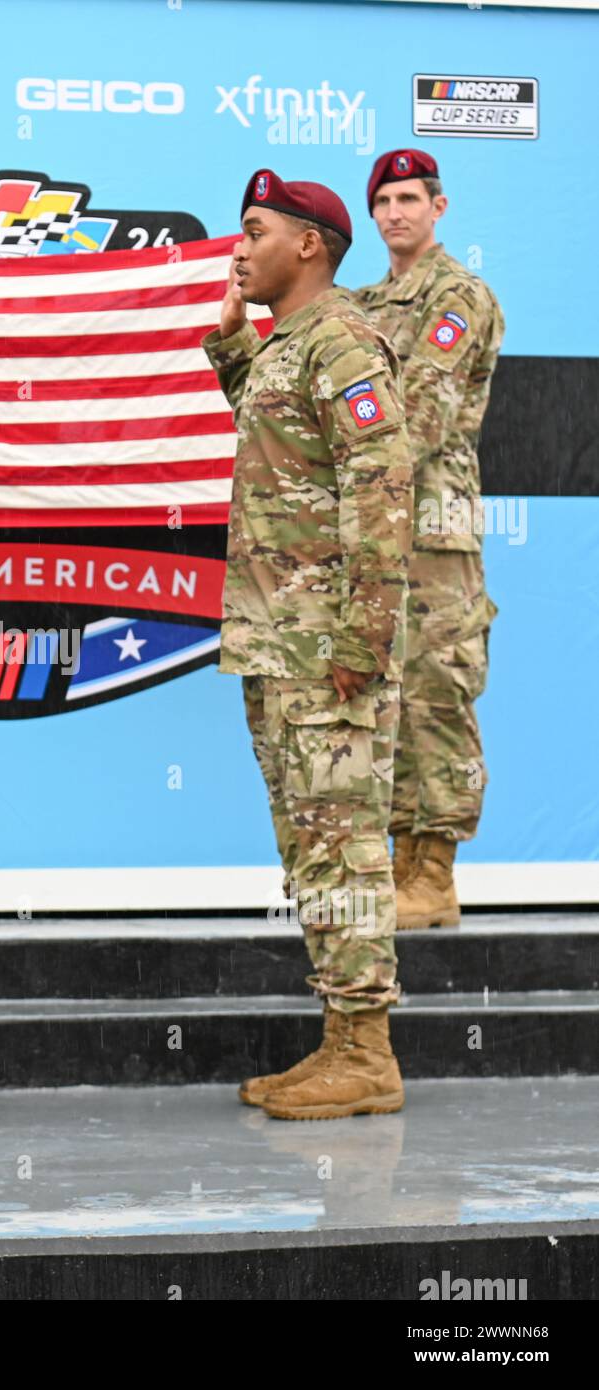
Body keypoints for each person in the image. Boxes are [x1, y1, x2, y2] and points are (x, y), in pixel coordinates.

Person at [202, 169, 413, 1120]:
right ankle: (339, 1040)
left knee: (347, 849)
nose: (239, 248)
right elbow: (278, 431)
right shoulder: (287, 347)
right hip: (277, 647)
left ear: (310, 246)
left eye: (253, 232)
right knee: (311, 850)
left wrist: (360, 643)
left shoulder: (344, 345)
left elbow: (381, 497)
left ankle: (368, 1051)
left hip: (326, 651)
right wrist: (227, 342)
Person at [354, 149, 505, 930]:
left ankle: (436, 870)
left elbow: (419, 409)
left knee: (437, 690)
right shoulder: (363, 302)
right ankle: (401, 863)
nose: (394, 213)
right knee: (386, 695)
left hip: (432, 530)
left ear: (438, 208)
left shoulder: (460, 296)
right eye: (383, 201)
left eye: (409, 198)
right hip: (375, 531)